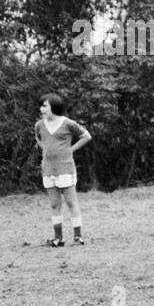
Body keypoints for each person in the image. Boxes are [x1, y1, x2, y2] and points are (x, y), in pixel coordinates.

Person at [34, 93, 91, 247]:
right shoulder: (39, 125)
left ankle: (78, 236)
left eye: (45, 106)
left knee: (71, 202)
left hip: (65, 168)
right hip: (48, 169)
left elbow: (86, 136)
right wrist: (47, 151)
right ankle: (58, 238)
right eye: (41, 105)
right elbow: (38, 139)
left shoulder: (68, 123)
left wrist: (70, 150)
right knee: (54, 204)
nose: (42, 109)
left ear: (54, 106)